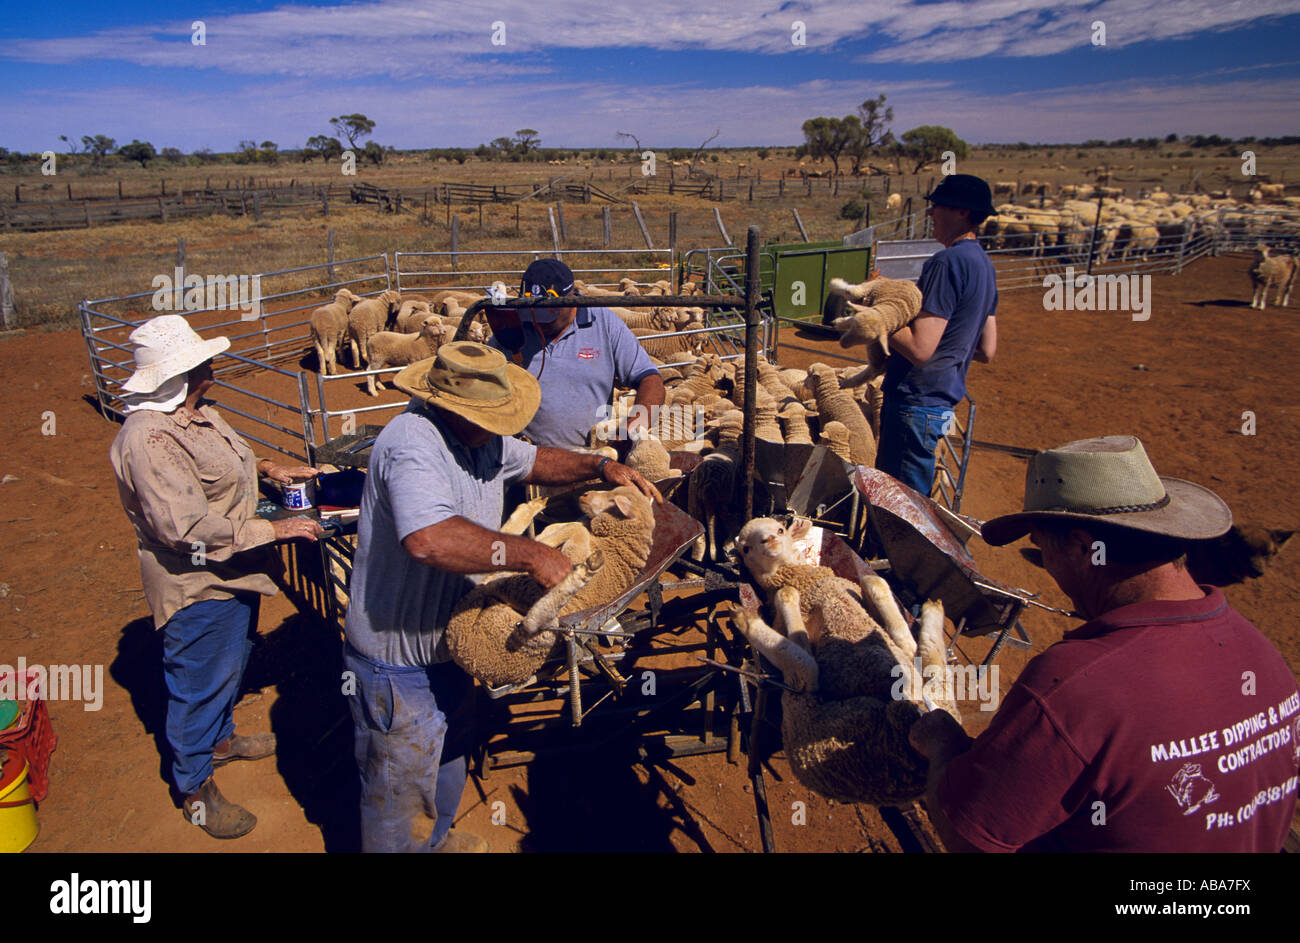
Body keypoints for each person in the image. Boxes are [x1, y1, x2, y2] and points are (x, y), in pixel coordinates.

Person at [342, 341, 661, 853]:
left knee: (447, 751)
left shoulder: (481, 438)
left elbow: (535, 460)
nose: (500, 427)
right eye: (489, 415)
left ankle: (437, 839)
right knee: (399, 780)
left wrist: (599, 468)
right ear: (451, 407)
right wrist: (530, 554)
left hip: (450, 635)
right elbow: (429, 538)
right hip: (396, 655)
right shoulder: (413, 444)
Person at [909, 436, 1300, 852]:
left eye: (1043, 548)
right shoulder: (1262, 657)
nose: (1049, 570)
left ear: (1084, 547)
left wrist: (941, 740)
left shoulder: (1073, 688)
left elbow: (968, 837)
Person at [109, 315, 324, 839]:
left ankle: (219, 741)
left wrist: (268, 470)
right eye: (201, 362)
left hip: (231, 569)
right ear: (180, 374)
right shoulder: (149, 440)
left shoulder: (197, 413)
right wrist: (273, 532)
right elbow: (184, 527)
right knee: (198, 681)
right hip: (197, 579)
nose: (212, 367)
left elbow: (222, 467)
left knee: (230, 661)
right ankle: (193, 787)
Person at [871, 173, 998, 495]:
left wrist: (875, 313)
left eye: (937, 207)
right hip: (941, 405)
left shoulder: (946, 262)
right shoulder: (984, 265)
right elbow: (987, 349)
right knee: (917, 502)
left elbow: (920, 349)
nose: (930, 214)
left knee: (900, 510)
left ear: (962, 213)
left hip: (914, 402)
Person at [484, 258, 665, 448]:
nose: (539, 322)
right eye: (532, 312)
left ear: (570, 298)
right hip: (527, 460)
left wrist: (633, 426)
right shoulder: (513, 328)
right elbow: (482, 384)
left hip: (593, 458)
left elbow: (649, 378)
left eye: (547, 314)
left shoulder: (603, 322)